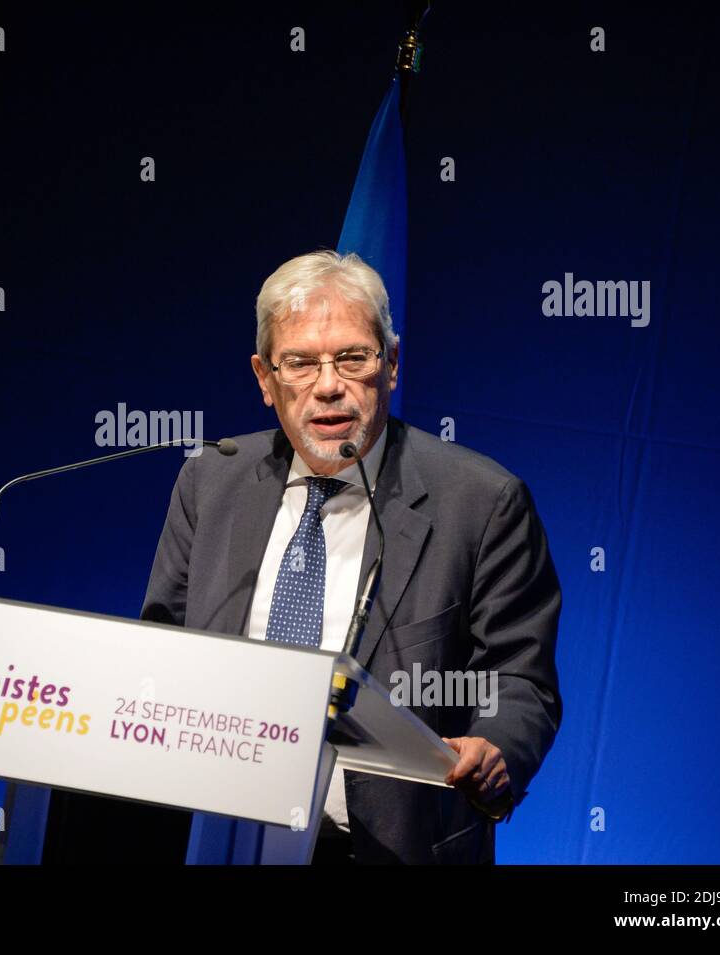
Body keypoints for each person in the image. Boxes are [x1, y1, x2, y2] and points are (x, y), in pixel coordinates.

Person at [140, 249, 563, 864]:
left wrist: (497, 747)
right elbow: (162, 645)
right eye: (301, 364)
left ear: (391, 364)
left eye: (352, 357)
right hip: (215, 831)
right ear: (265, 379)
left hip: (384, 848)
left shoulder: (482, 501)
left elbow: (520, 679)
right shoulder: (212, 481)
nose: (328, 385)